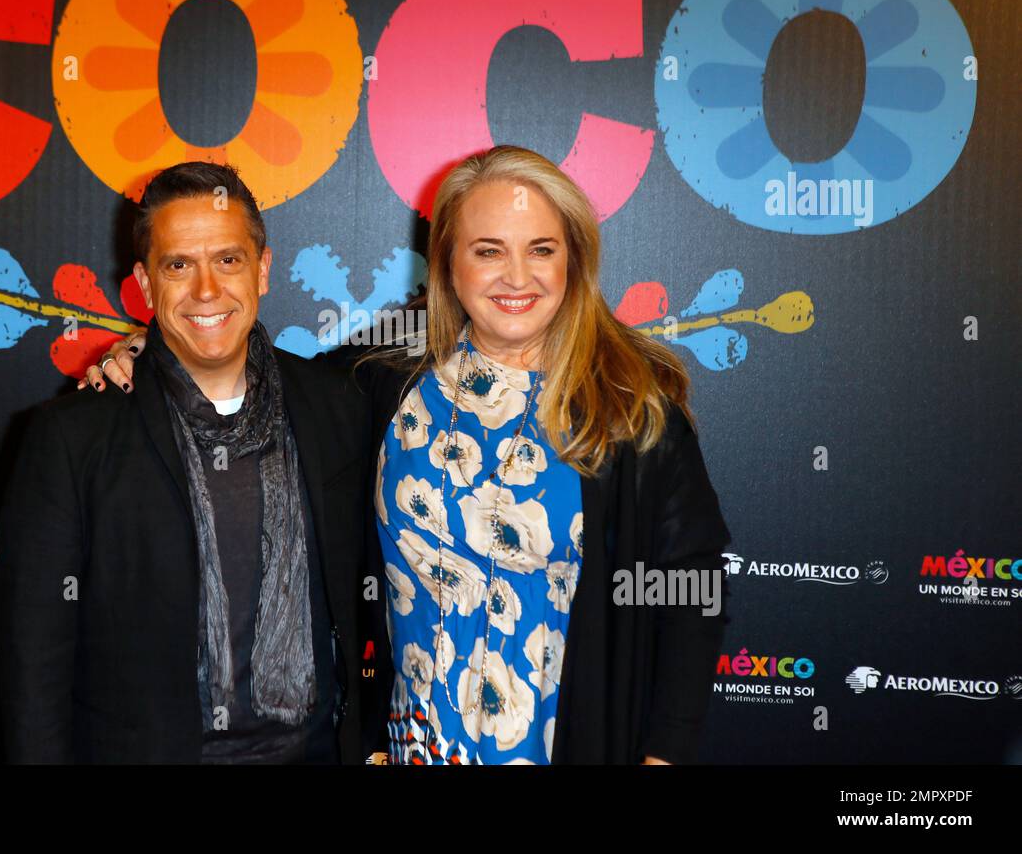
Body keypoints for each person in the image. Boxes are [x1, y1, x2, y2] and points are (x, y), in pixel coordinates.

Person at [85, 145, 733, 765]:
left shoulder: (630, 407)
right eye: (488, 251)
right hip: (410, 745)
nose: (516, 277)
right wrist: (149, 358)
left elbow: (692, 594)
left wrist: (663, 754)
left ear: (575, 260)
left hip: (567, 744)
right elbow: (247, 379)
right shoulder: (381, 384)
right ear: (448, 261)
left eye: (541, 249)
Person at [0, 161, 383, 763]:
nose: (206, 289)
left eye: (228, 260)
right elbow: (33, 663)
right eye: (179, 265)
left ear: (263, 270)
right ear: (147, 286)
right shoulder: (73, 436)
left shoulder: (341, 407)